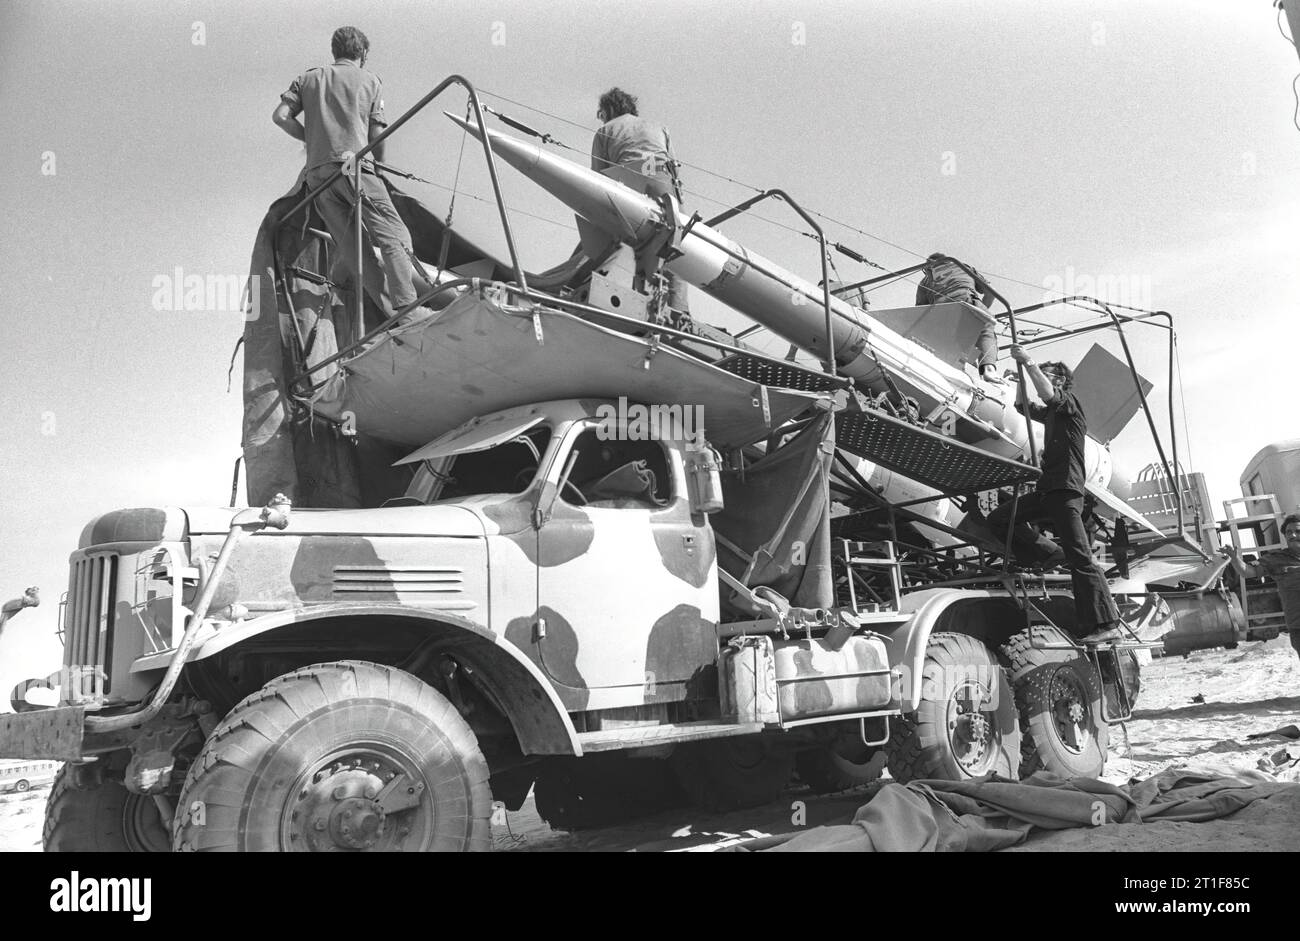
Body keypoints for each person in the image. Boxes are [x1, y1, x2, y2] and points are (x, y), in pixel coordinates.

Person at [272, 27, 431, 324]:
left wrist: (314, 138)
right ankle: (409, 308)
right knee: (396, 235)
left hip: (318, 178)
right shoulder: (370, 81)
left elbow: (280, 116)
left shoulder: (307, 78)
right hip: (354, 169)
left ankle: (393, 314)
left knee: (356, 251)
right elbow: (377, 134)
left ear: (335, 52)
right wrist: (379, 167)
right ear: (363, 54)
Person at [987, 347, 1122, 641]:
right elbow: (1023, 406)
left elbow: (1047, 394)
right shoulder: (1050, 415)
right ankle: (1048, 555)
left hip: (1066, 491)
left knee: (1082, 559)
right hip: (1048, 492)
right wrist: (1020, 378)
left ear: (1059, 382)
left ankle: (1107, 625)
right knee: (1000, 519)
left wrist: (1028, 363)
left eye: (1046, 376)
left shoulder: (1069, 406)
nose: (1041, 381)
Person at [590, 88, 689, 314]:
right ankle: (678, 310)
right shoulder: (658, 127)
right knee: (676, 244)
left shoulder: (605, 130)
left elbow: (597, 178)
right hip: (664, 183)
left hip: (627, 181)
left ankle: (638, 304)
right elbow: (674, 167)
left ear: (608, 109)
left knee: (626, 243)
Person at [915, 253, 999, 382]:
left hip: (941, 313)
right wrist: (981, 312)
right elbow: (991, 292)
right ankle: (988, 370)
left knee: (956, 340)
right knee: (985, 330)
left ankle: (962, 370)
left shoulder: (924, 281)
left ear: (927, 267)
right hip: (967, 300)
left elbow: (920, 311)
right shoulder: (963, 267)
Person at [1258, 513, 1300, 664]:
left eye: (1297, 531)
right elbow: (1247, 572)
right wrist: (1235, 558)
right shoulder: (1276, 559)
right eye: (1289, 532)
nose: (1293, 535)